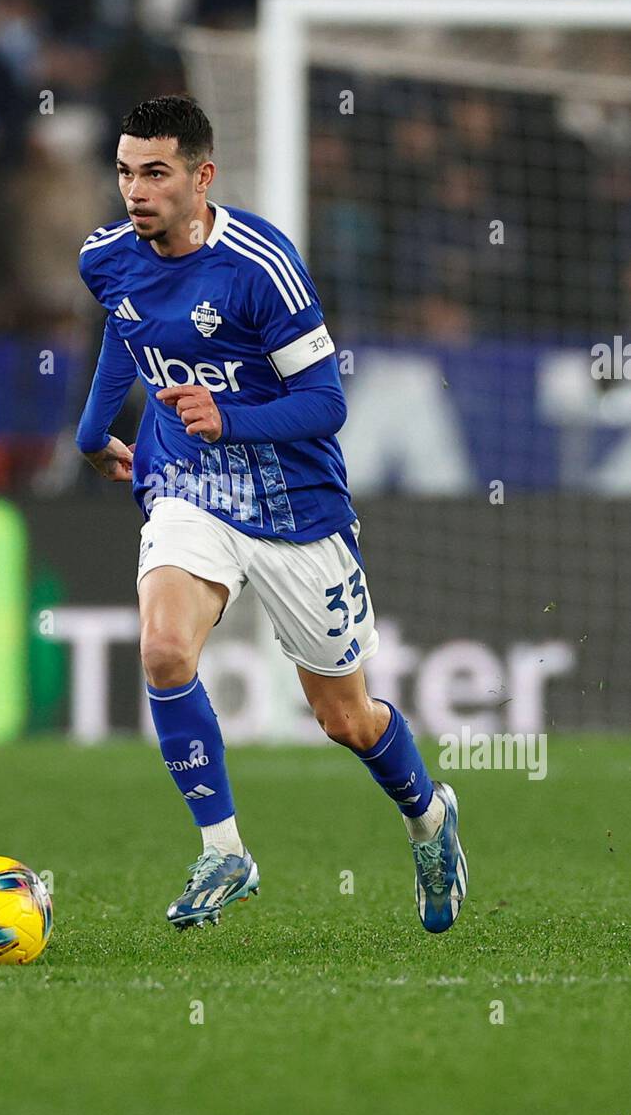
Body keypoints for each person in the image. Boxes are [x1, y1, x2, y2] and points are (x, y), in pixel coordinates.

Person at [75, 95, 467, 933]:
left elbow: (327, 404)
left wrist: (233, 418)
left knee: (345, 718)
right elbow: (125, 325)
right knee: (165, 648)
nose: (135, 191)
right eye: (124, 171)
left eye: (155, 173)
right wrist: (91, 428)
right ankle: (225, 849)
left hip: (297, 505)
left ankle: (429, 818)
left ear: (201, 176)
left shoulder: (261, 265)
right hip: (192, 487)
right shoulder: (106, 255)